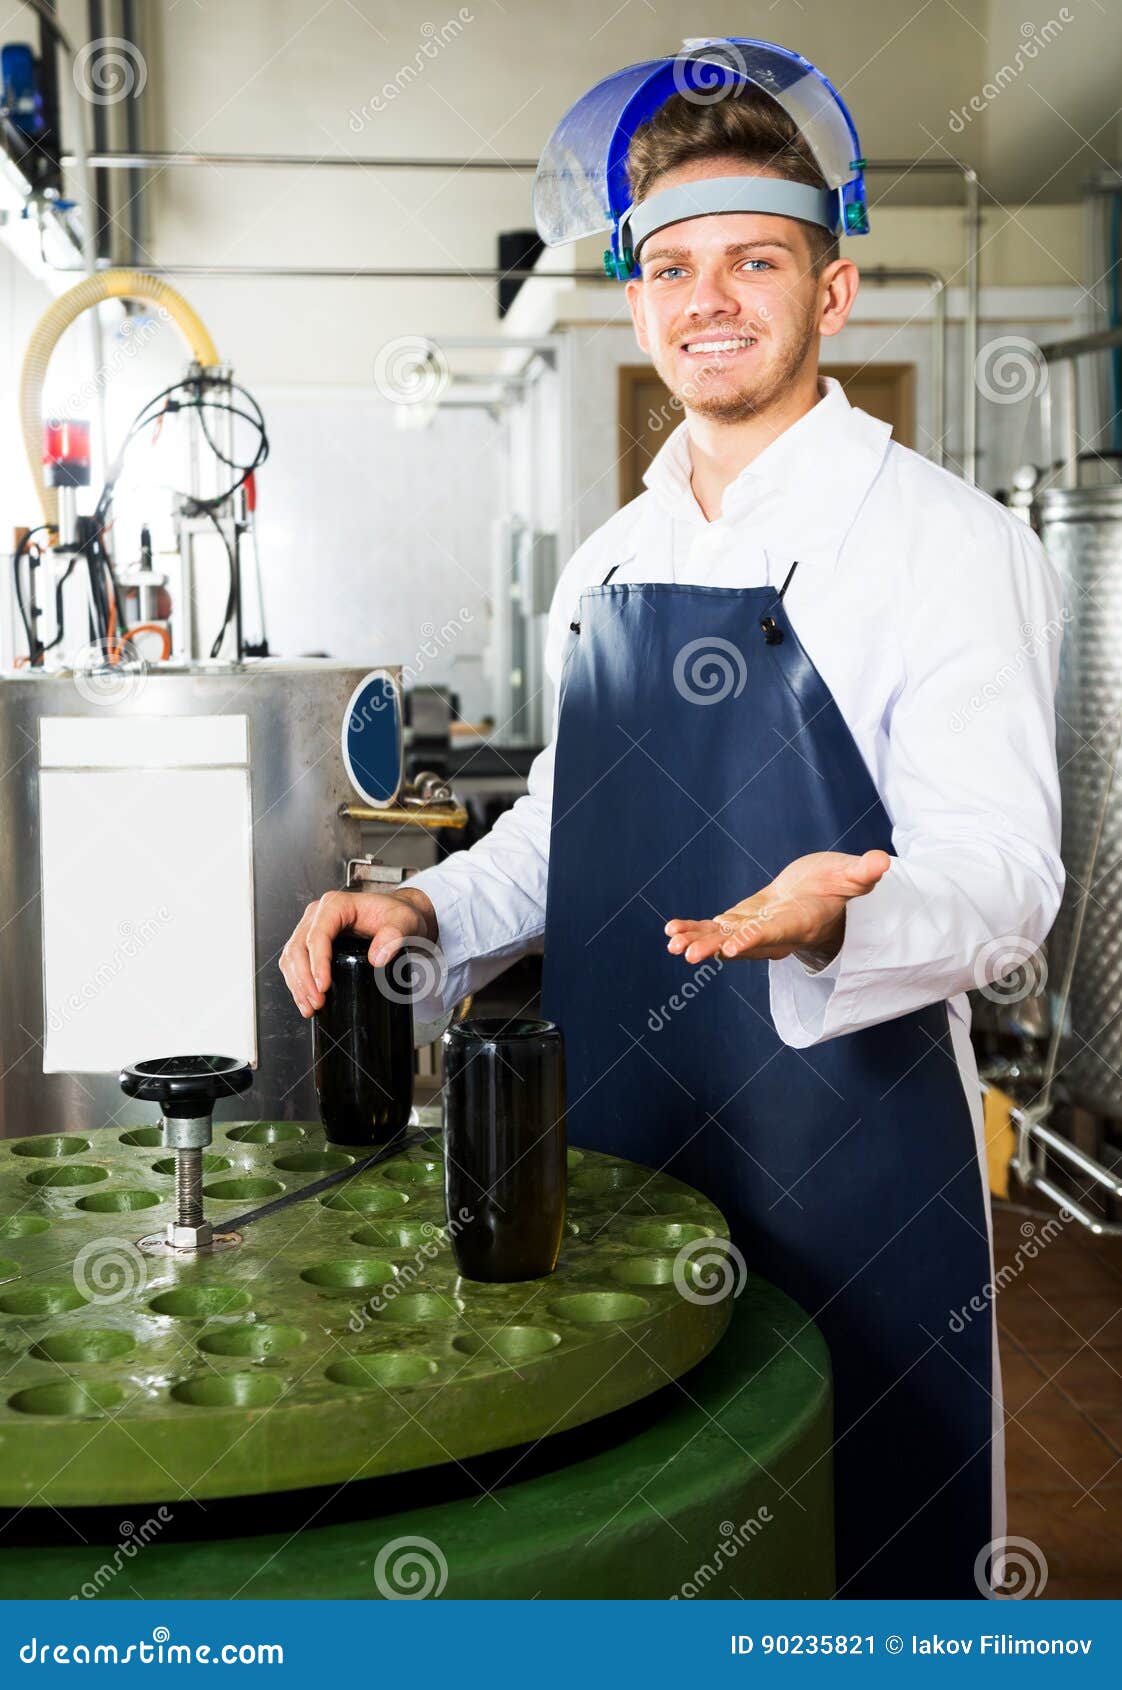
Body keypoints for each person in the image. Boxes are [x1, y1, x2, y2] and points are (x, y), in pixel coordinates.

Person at [280, 40, 1063, 1597]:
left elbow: (1004, 878)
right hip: (623, 1150)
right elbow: (559, 837)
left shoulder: (945, 544)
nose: (708, 298)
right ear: (637, 303)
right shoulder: (608, 564)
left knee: (863, 1542)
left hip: (849, 1154)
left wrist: (842, 914)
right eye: (671, 267)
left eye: (752, 260)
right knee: (636, 1536)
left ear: (831, 291)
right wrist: (427, 909)